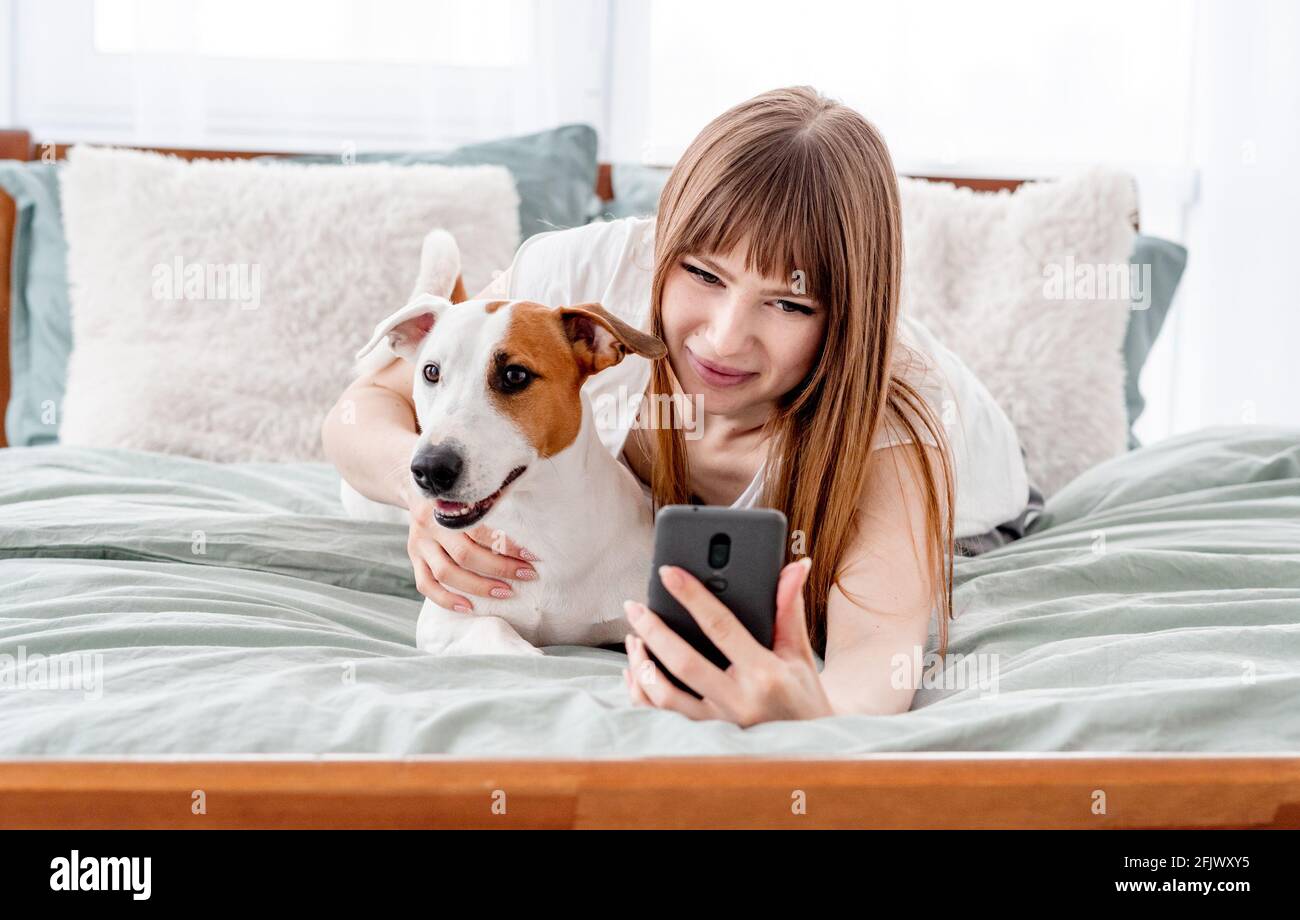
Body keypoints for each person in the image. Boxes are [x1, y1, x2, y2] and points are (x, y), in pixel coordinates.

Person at [321, 86, 1035, 725]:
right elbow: (360, 411)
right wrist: (423, 496)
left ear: (841, 317)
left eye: (788, 302)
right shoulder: (582, 277)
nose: (723, 339)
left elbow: (877, 659)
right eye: (701, 272)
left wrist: (810, 712)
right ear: (664, 241)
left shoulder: (894, 410)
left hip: (981, 496)